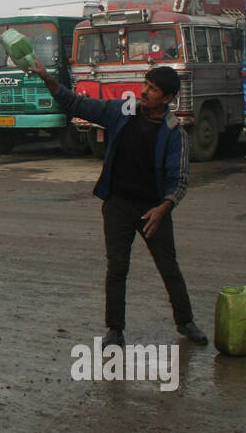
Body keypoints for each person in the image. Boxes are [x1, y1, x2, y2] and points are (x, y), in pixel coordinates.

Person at [28, 62, 208, 347]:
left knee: (168, 267)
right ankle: (115, 330)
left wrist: (163, 208)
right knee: (117, 268)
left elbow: (180, 180)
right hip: (118, 205)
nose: (144, 91)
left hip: (153, 211)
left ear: (167, 98)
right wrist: (47, 78)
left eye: (153, 89)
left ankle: (185, 322)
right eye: (145, 84)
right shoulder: (122, 112)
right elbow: (76, 104)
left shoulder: (175, 132)